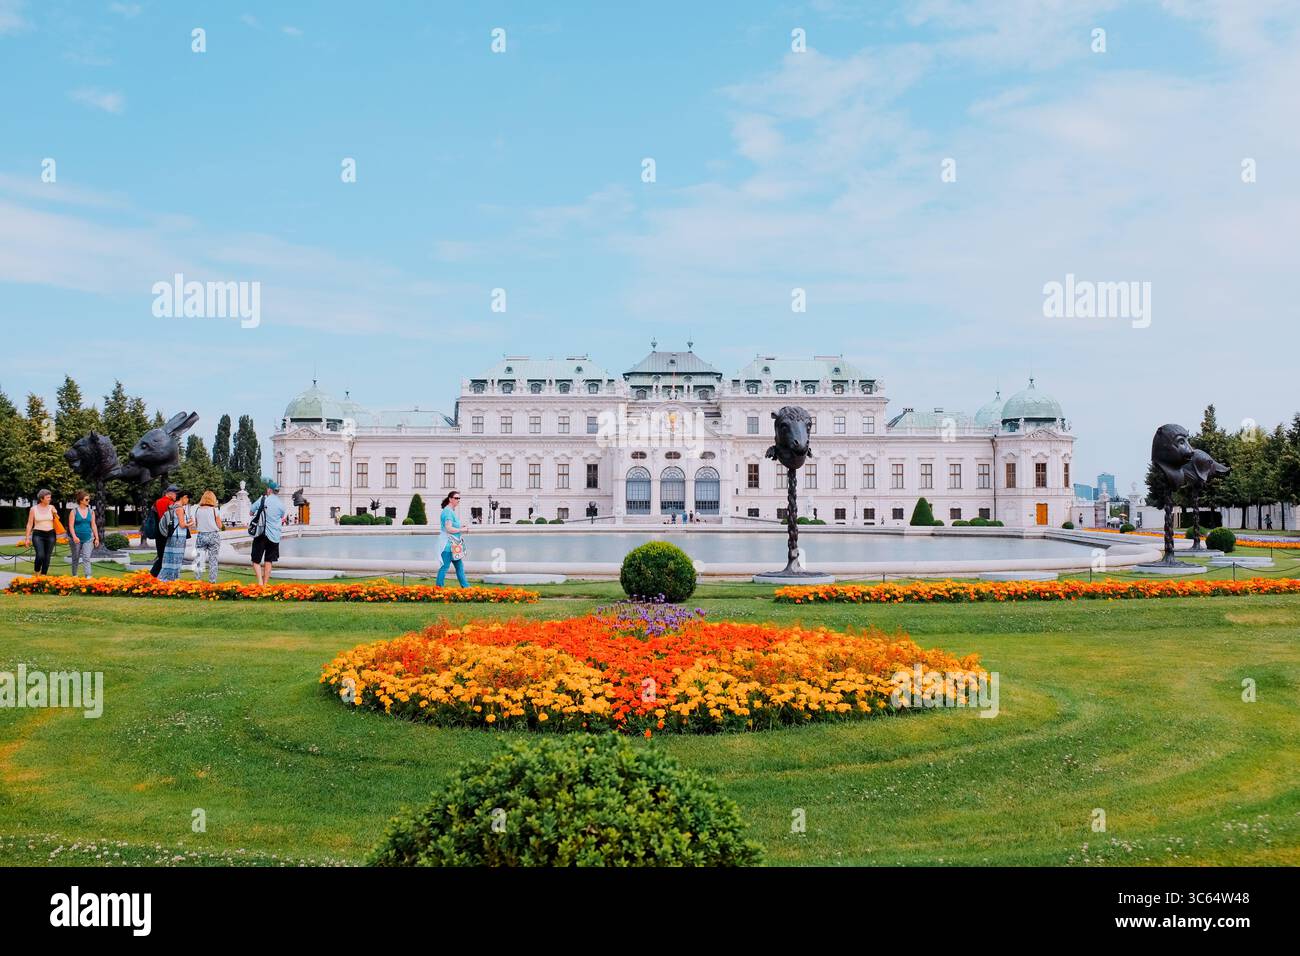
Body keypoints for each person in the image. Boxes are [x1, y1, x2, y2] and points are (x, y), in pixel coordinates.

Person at [249, 480, 288, 585]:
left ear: (269, 490)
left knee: (255, 560)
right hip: (274, 536)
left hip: (261, 534)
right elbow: (283, 518)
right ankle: (265, 584)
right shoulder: (281, 505)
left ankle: (260, 583)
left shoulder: (263, 499)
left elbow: (251, 511)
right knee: (268, 561)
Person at [157, 490, 193, 581]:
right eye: (188, 499)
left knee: (169, 558)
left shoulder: (172, 506)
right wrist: (191, 523)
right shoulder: (180, 509)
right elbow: (182, 525)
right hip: (178, 537)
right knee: (177, 559)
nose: (188, 501)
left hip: (171, 535)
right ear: (184, 497)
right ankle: (173, 578)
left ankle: (164, 578)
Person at [22, 489, 59, 575]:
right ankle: (37, 571)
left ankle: (43, 576)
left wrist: (55, 513)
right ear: (41, 499)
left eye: (50, 497)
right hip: (38, 535)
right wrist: (27, 538)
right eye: (47, 497)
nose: (50, 499)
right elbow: (29, 524)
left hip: (51, 534)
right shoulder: (33, 509)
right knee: (40, 555)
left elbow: (57, 520)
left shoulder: (52, 507)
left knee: (47, 557)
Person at [436, 490, 468, 587]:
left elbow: (451, 526)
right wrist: (462, 530)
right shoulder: (448, 512)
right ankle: (438, 588)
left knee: (459, 567)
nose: (458, 500)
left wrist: (460, 526)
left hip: (453, 545)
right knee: (444, 567)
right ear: (450, 499)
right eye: (456, 498)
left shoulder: (449, 511)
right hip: (448, 545)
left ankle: (466, 588)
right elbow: (448, 528)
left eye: (459, 498)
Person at [193, 490, 224, 583]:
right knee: (213, 560)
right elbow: (220, 526)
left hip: (201, 535)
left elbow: (197, 524)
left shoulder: (198, 510)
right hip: (213, 536)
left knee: (199, 560)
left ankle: (198, 580)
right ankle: (212, 581)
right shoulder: (215, 510)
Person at [148, 485, 179, 576]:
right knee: (164, 558)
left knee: (162, 556)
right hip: (165, 533)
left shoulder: (157, 502)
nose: (176, 496)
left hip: (159, 533)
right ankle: (152, 576)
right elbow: (168, 519)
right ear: (170, 493)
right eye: (176, 494)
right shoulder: (169, 503)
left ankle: (156, 577)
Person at [68, 490, 99, 578]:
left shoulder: (91, 511)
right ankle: (75, 575)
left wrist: (97, 538)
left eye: (89, 499)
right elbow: (71, 526)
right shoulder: (73, 512)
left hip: (88, 538)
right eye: (86, 499)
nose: (88, 501)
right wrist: (74, 537)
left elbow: (93, 525)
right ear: (81, 500)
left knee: (86, 557)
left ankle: (88, 575)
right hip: (76, 539)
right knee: (75, 557)